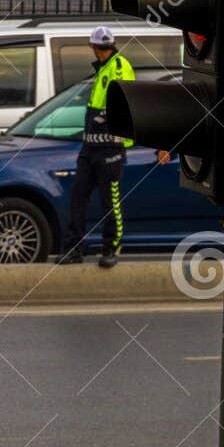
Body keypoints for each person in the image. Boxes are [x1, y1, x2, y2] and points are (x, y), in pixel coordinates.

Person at [59, 26, 135, 269]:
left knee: (109, 201)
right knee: (77, 198)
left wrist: (108, 122)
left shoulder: (120, 66)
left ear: (93, 46)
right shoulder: (104, 67)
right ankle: (73, 249)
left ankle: (111, 249)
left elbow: (126, 101)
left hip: (110, 149)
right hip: (90, 148)